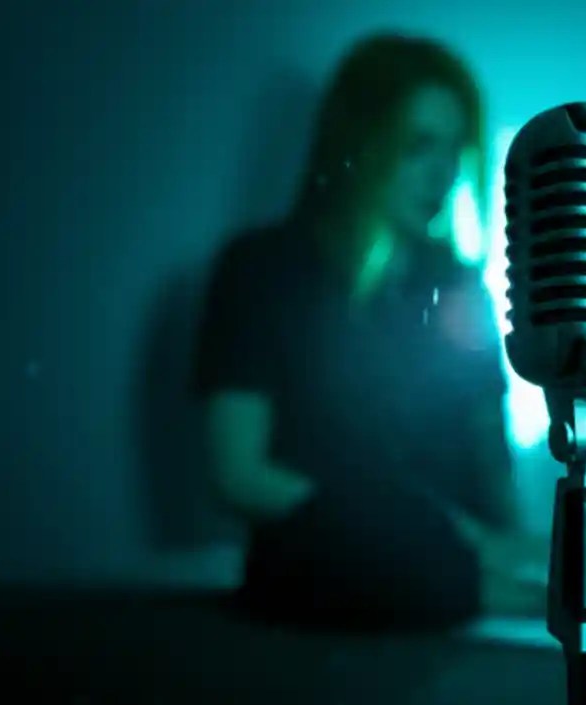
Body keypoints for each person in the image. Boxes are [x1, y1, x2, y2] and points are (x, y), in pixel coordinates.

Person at [193, 32, 548, 630]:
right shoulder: (262, 269)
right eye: (418, 146)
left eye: (454, 149)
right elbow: (239, 474)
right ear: (359, 142)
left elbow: (492, 458)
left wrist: (520, 550)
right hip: (343, 564)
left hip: (460, 563)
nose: (442, 173)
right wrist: (430, 535)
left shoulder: (458, 284)